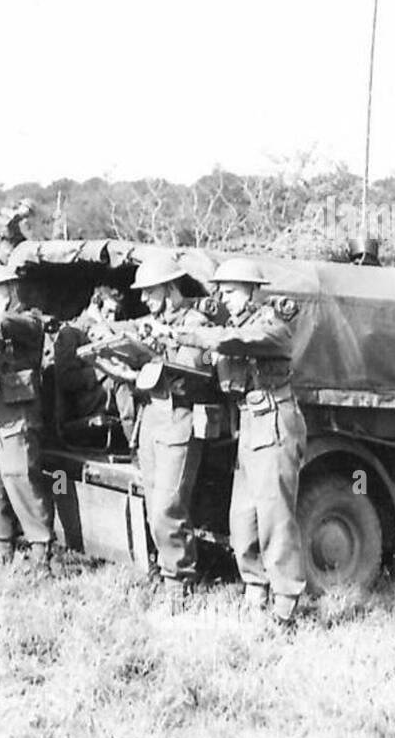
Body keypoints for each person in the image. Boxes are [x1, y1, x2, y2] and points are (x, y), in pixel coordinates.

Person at [174, 257, 306, 625]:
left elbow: (249, 341)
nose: (224, 297)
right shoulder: (232, 325)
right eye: (220, 290)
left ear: (251, 291)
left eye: (230, 291)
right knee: (242, 519)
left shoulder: (272, 322)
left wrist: (200, 335)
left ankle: (285, 606)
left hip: (274, 422)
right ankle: (254, 591)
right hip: (248, 425)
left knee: (275, 518)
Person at [122, 255, 219, 605]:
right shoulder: (152, 322)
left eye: (150, 292)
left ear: (170, 289)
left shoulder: (195, 322)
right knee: (153, 503)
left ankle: (180, 582)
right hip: (151, 418)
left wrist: (164, 347)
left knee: (168, 505)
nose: (145, 300)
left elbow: (201, 369)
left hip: (179, 418)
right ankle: (167, 573)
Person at [0, 265, 56, 574]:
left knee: (21, 478)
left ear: (13, 289)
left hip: (17, 412)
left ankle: (40, 551)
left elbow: (6, 322)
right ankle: (3, 546)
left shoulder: (28, 319)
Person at [51, 284, 137, 444]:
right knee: (119, 379)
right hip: (84, 402)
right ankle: (133, 442)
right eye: (109, 312)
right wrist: (106, 370)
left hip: (105, 396)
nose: (112, 319)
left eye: (115, 314)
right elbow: (66, 379)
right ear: (95, 304)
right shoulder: (71, 333)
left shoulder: (106, 328)